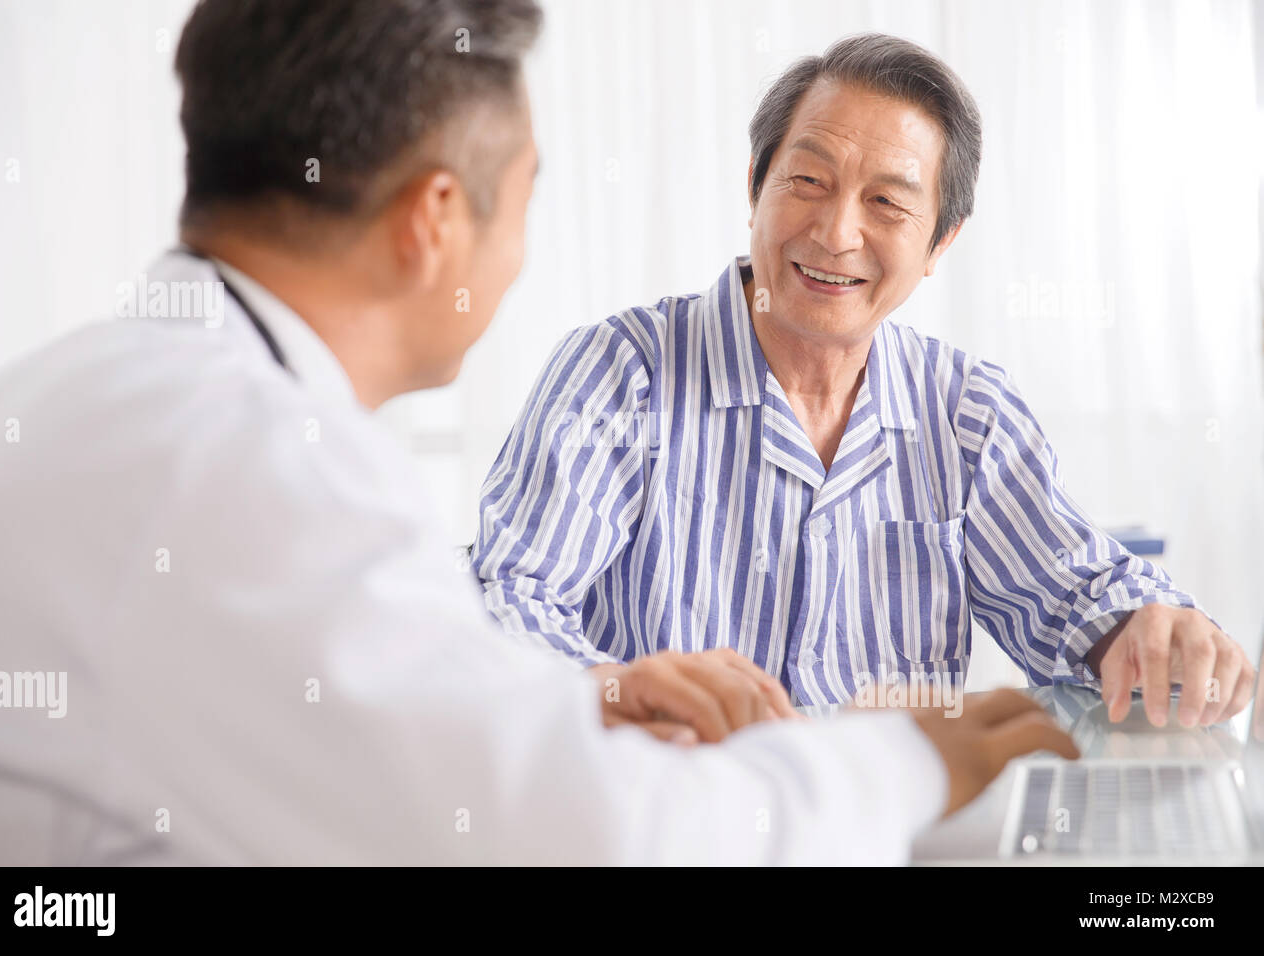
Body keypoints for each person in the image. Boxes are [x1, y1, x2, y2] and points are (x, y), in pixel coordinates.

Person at [0, 0, 1077, 866]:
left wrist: (579, 694)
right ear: (435, 221)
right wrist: (903, 760)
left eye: (887, 202)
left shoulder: (123, 392)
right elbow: (570, 841)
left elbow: (415, 723)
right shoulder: (244, 461)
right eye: (526, 193)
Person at [472, 32, 1256, 729]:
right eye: (807, 182)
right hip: (666, 826)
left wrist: (1154, 631)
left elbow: (1075, 596)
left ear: (940, 241)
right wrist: (618, 691)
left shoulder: (966, 413)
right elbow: (508, 599)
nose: (836, 232)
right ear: (755, 187)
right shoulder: (620, 375)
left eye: (886, 202)